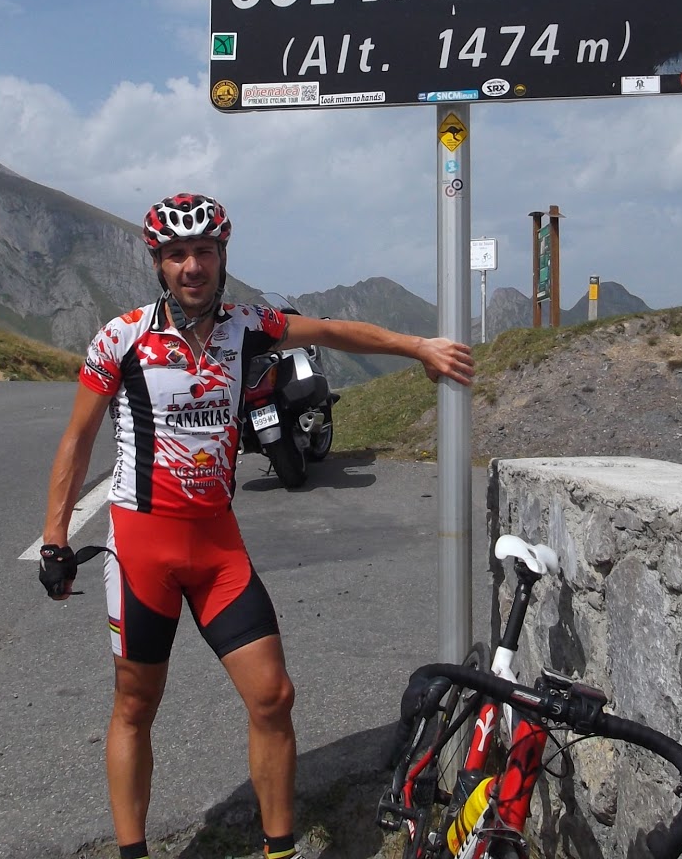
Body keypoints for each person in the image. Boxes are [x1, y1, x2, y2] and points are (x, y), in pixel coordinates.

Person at [39, 193, 474, 859]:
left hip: (217, 547)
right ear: (158, 263)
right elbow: (76, 441)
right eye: (177, 254)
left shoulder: (250, 325)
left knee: (273, 696)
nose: (192, 266)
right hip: (142, 549)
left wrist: (417, 346)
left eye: (204, 252)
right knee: (135, 704)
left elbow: (330, 331)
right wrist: (55, 541)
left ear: (221, 257)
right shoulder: (121, 336)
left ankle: (280, 850)